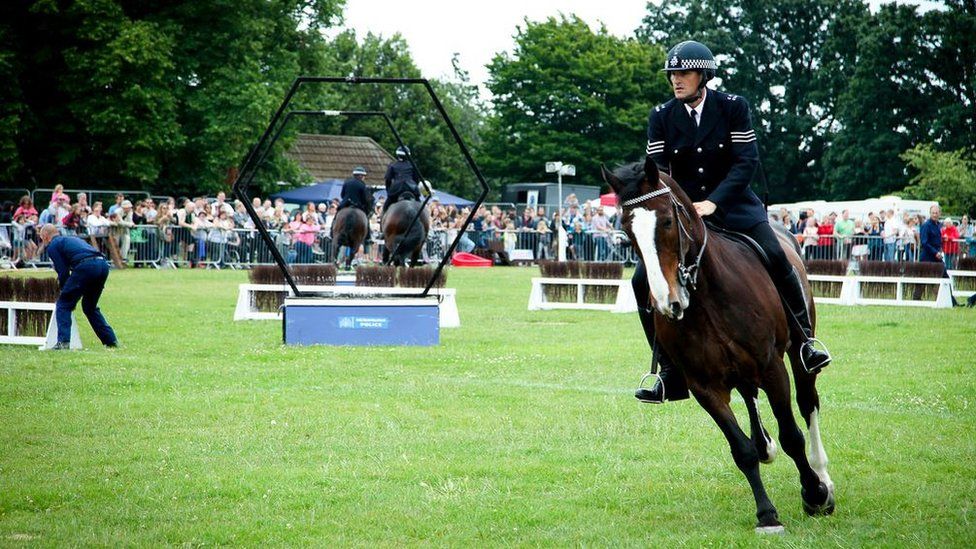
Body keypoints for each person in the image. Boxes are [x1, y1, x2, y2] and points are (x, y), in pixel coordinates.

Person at [634, 40, 831, 404]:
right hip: (684, 214)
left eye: (683, 73)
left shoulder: (733, 107)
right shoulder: (661, 116)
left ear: (703, 75)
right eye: (672, 74)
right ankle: (668, 372)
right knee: (640, 278)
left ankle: (805, 342)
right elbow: (658, 172)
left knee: (775, 254)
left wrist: (714, 202)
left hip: (735, 205)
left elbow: (746, 162)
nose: (676, 80)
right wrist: (683, 207)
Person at [37, 224, 117, 349]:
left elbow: (62, 271)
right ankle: (110, 341)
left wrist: (64, 289)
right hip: (102, 265)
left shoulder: (53, 245)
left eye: (41, 238)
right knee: (89, 307)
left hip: (86, 266)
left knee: (63, 304)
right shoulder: (71, 239)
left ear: (46, 237)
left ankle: (63, 342)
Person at [383, 146, 422, 213]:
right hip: (411, 188)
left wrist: (389, 192)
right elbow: (416, 179)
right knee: (420, 205)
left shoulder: (393, 165)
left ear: (397, 155)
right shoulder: (412, 165)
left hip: (396, 189)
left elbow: (388, 180)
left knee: (386, 207)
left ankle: (383, 219)